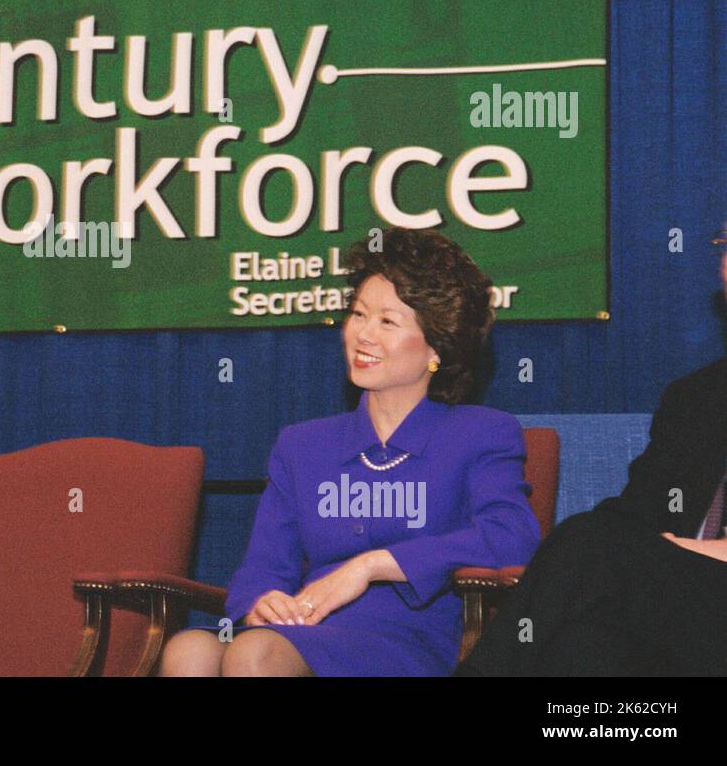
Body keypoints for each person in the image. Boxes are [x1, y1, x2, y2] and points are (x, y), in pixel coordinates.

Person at [160, 227, 541, 676]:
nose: (363, 335)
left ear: (435, 348)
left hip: (410, 640)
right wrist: (262, 602)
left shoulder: (481, 433)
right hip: (302, 628)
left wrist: (372, 565)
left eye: (387, 321)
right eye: (358, 315)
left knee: (254, 654)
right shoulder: (302, 445)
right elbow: (263, 566)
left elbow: (511, 536)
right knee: (190, 649)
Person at [456, 228, 727, 676]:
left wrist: (682, 550)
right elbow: (634, 518)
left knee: (589, 546)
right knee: (579, 642)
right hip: (682, 606)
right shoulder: (696, 397)